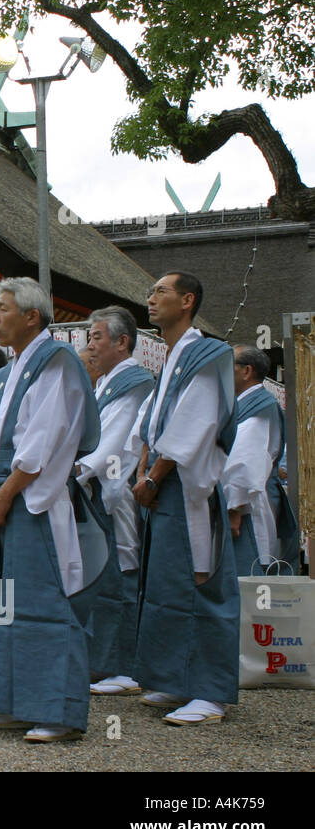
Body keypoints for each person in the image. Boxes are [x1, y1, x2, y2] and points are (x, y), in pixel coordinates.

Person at [0, 277, 99, 742]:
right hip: (0, 497)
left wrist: (6, 492)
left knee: (42, 600)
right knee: (4, 603)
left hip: (32, 500)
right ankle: (14, 699)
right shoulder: (6, 372)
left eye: (2, 309)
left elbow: (46, 435)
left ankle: (56, 709)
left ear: (32, 316)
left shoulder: (57, 362)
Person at [129, 271, 239, 726]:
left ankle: (209, 691)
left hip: (187, 484)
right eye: (152, 292)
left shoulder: (207, 355)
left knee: (198, 584)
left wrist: (153, 477)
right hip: (162, 482)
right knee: (166, 585)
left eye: (161, 292)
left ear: (187, 301)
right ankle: (176, 677)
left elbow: (194, 425)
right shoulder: (172, 357)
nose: (151, 299)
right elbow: (151, 422)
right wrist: (141, 467)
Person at [75, 307, 155, 696]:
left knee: (122, 571)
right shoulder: (108, 382)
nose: (91, 344)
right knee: (104, 576)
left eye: (97, 337)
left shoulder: (133, 384)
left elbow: (115, 444)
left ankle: (125, 665)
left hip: (115, 490)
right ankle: (107, 662)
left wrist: (77, 470)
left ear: (122, 343)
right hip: (100, 488)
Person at [223, 345, 300, 576]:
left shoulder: (260, 406)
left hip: (246, 505)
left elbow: (244, 462)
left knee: (247, 576)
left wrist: (234, 508)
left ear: (246, 371)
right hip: (241, 501)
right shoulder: (243, 404)